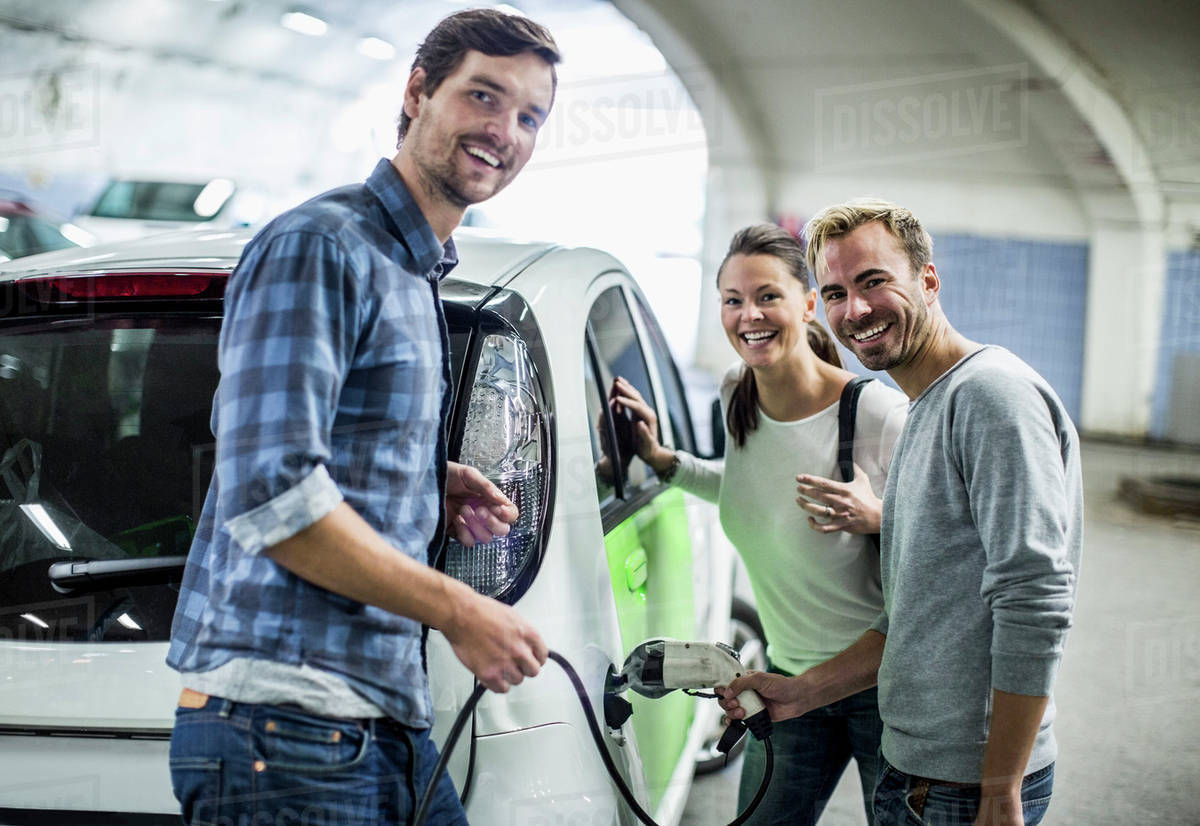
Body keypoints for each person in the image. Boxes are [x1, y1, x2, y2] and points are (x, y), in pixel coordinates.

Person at [166, 11, 560, 826]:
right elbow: (271, 494)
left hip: (373, 711)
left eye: (529, 116)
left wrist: (424, 479)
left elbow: (293, 435)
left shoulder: (410, 267)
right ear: (417, 92)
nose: (504, 131)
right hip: (283, 722)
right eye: (483, 96)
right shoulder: (322, 245)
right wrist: (459, 610)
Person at [720, 199, 1083, 826]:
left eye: (873, 281)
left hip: (964, 781)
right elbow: (911, 615)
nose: (854, 311)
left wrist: (1000, 787)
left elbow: (1036, 601)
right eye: (835, 291)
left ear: (929, 279)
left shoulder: (990, 397)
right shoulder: (926, 410)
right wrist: (799, 693)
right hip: (918, 764)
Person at [611, 223, 908, 825]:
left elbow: (943, 545)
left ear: (806, 302)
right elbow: (752, 487)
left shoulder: (874, 413)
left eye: (768, 295)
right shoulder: (735, 393)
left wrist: (879, 517)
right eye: (733, 299)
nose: (750, 314)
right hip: (789, 678)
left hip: (883, 689)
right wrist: (661, 461)